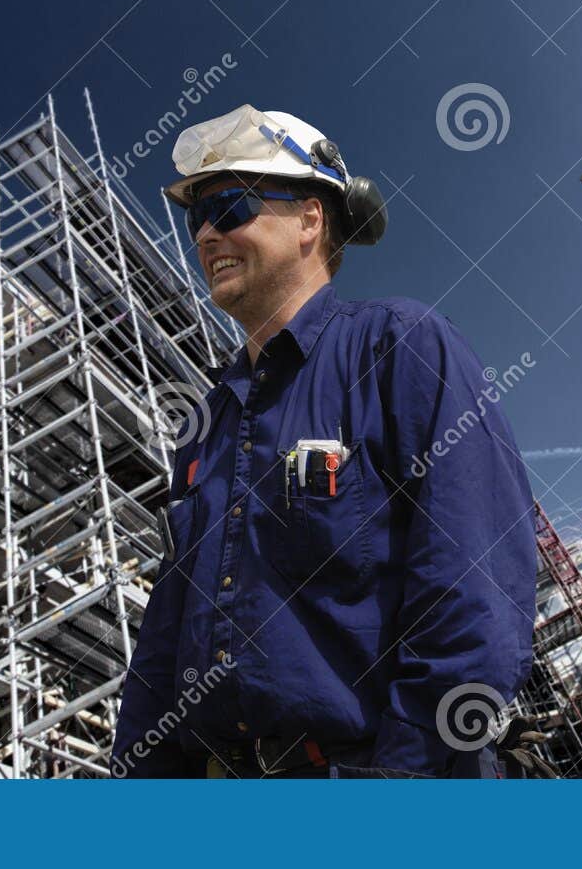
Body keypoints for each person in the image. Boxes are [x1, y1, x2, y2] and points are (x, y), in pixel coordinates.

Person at [113, 104, 536, 778]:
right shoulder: (205, 430)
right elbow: (164, 638)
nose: (206, 235)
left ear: (310, 219)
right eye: (196, 220)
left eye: (228, 207)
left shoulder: (400, 348)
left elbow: (475, 596)